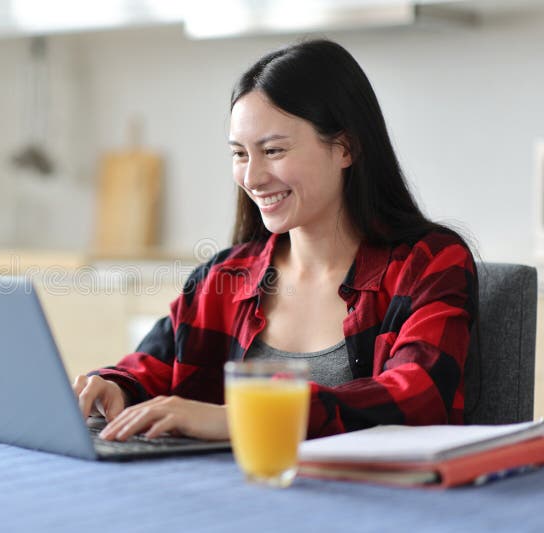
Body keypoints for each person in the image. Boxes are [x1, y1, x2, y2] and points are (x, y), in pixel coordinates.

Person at [72, 39, 477, 442]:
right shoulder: (223, 277)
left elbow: (419, 397)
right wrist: (113, 386)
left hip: (373, 500)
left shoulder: (430, 262)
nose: (252, 177)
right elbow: (153, 367)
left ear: (346, 147)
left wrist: (246, 418)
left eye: (273, 150)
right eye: (240, 154)